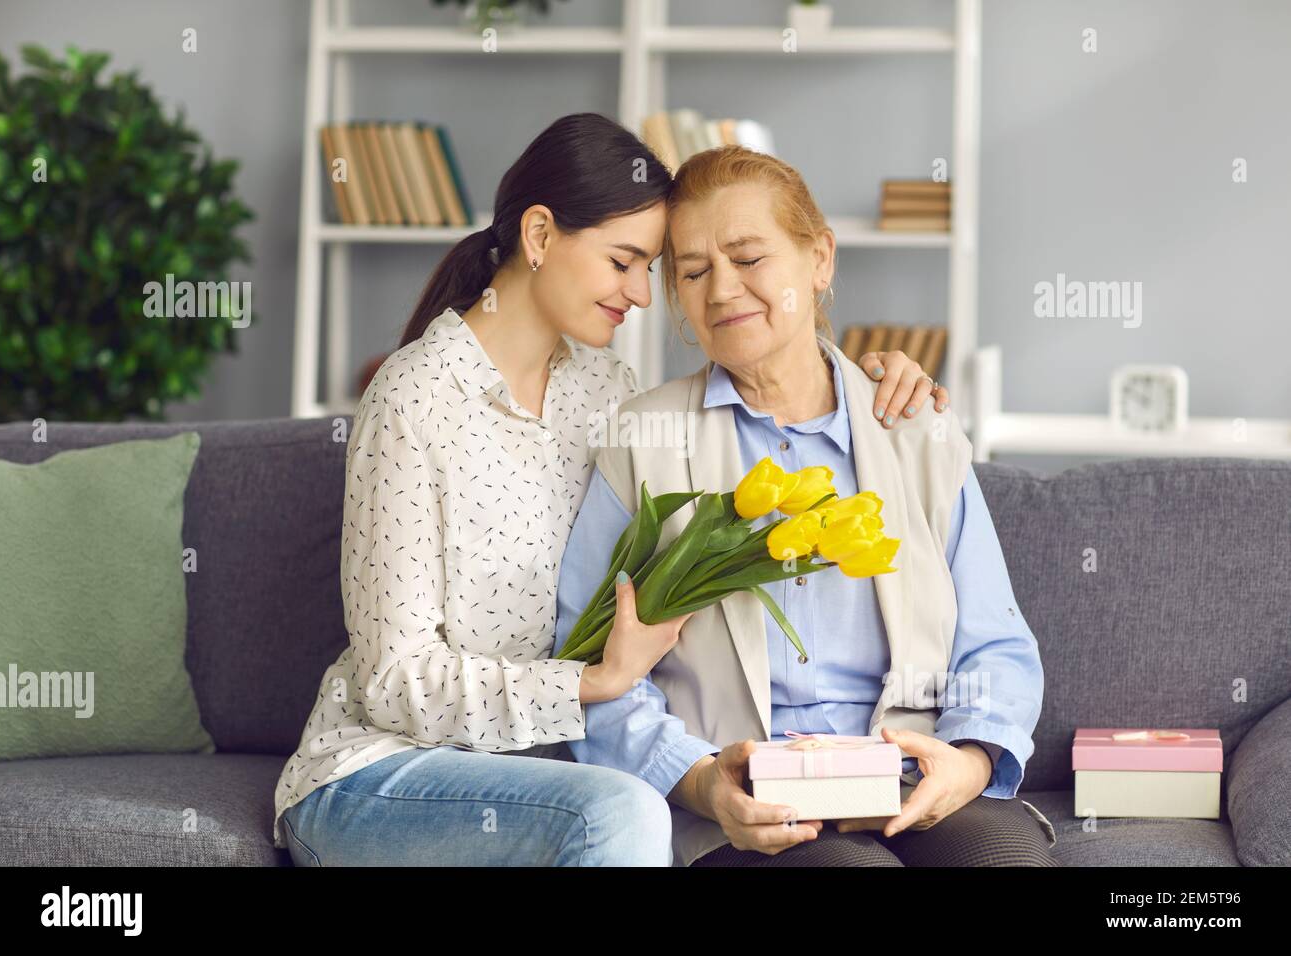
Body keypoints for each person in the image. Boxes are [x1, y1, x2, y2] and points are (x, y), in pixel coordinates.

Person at [272, 115, 947, 866]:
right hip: (384, 773)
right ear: (538, 235)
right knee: (621, 810)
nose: (640, 293)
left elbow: (753, 404)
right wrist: (589, 683)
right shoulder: (413, 400)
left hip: (541, 778)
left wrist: (873, 378)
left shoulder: (606, 392)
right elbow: (395, 683)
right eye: (623, 261)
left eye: (651, 268)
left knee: (620, 804)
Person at [553, 145, 1057, 867]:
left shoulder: (916, 430)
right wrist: (700, 783)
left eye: (749, 258)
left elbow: (995, 643)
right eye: (692, 271)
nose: (722, 289)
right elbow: (588, 668)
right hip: (748, 806)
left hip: (908, 780)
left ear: (819, 259)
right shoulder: (643, 440)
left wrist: (969, 761)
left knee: (1006, 862)